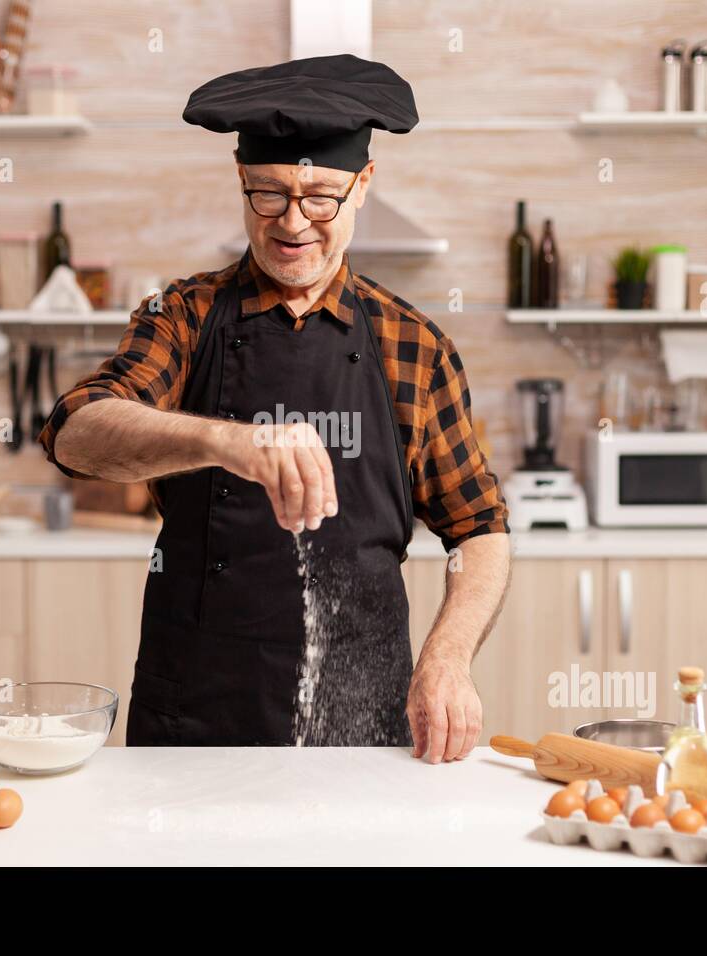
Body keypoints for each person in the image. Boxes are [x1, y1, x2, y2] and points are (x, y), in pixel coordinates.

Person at [39, 54, 510, 762]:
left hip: (365, 716)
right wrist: (230, 444)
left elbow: (480, 529)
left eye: (320, 196)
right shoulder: (183, 316)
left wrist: (448, 657)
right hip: (197, 715)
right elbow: (76, 431)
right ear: (241, 182)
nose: (294, 223)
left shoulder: (414, 344)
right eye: (269, 194)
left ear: (363, 188)